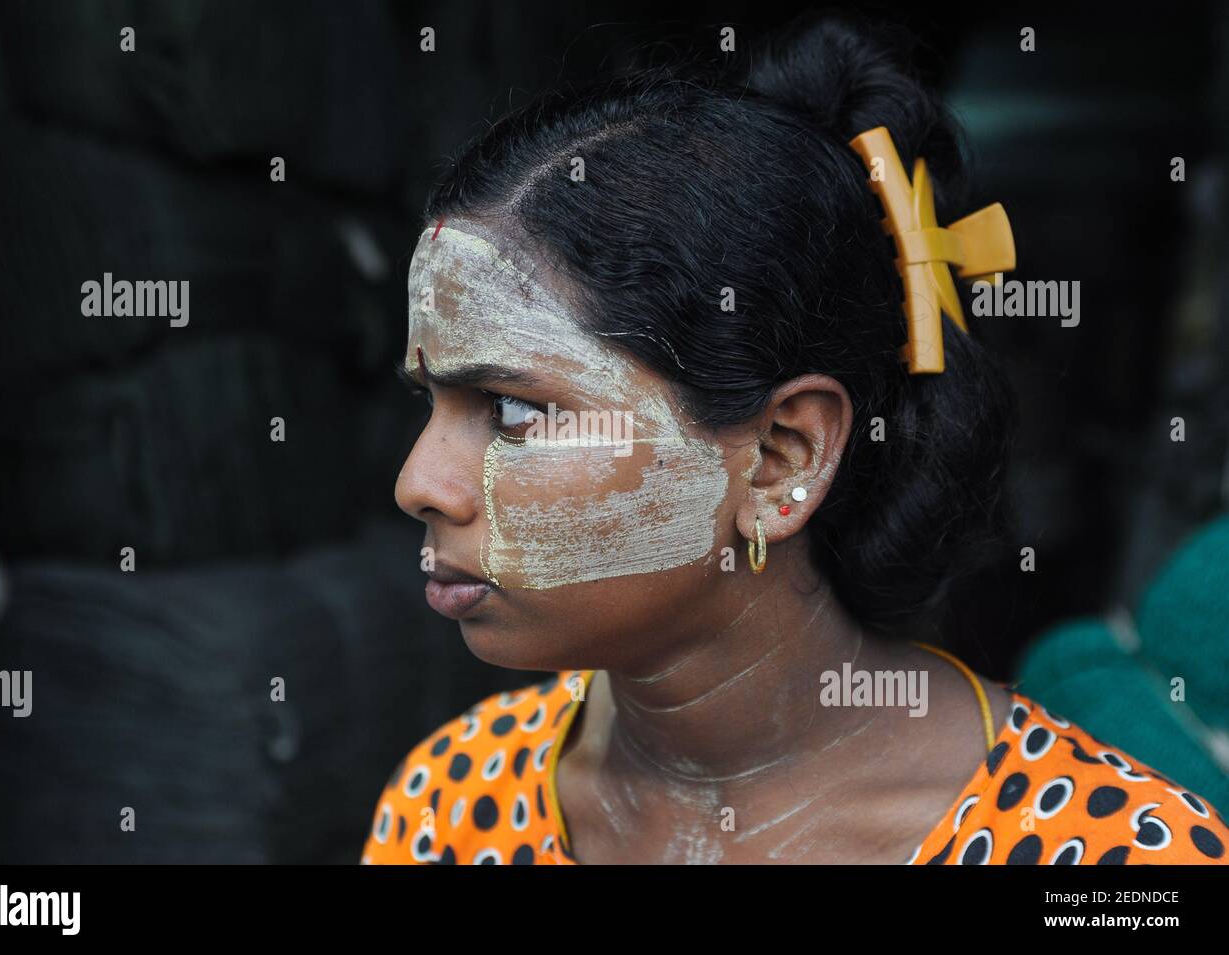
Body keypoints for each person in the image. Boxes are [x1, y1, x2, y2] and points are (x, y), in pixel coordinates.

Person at [361, 14, 1229, 864]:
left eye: (513, 410)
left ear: (783, 457)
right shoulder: (450, 798)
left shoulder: (1107, 857)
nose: (420, 482)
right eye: (427, 400)